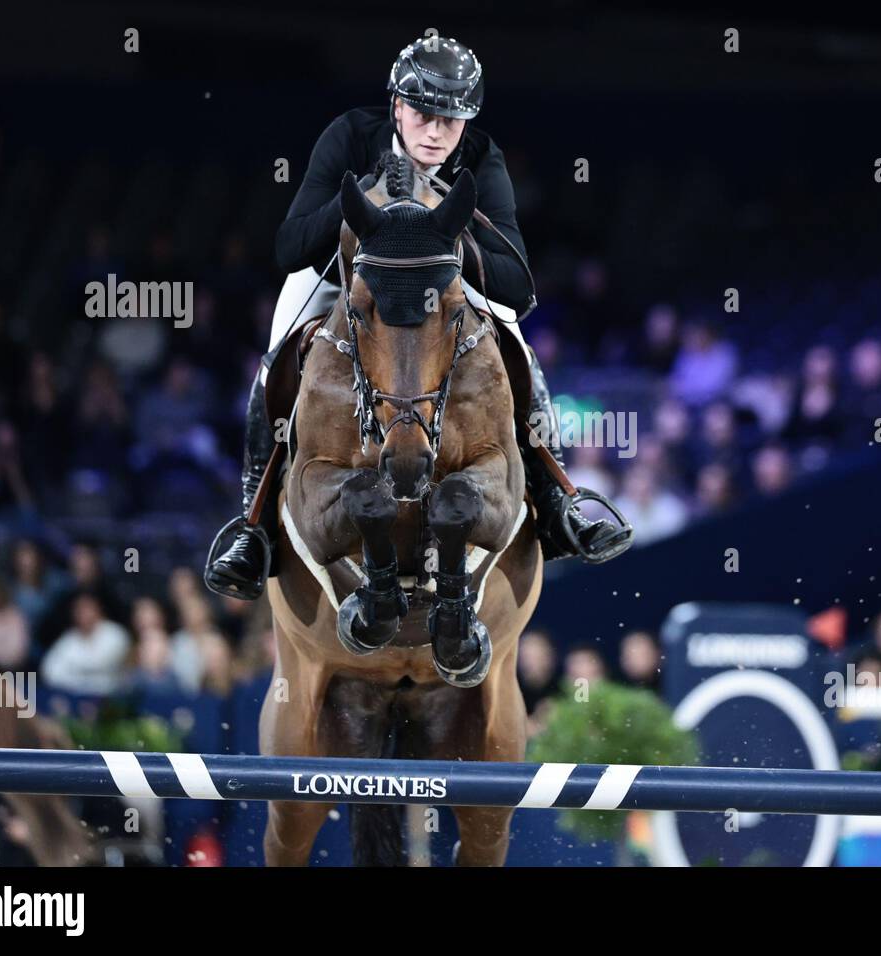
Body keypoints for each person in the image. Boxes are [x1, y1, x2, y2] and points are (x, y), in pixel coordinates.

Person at [205, 35, 630, 601]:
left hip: (438, 285)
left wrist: (454, 224)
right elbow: (288, 248)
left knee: (519, 349)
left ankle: (556, 505)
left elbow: (518, 286)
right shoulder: (350, 135)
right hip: (346, 281)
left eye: (451, 121)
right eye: (425, 115)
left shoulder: (479, 157)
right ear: (397, 106)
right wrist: (361, 194)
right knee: (276, 357)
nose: (436, 133)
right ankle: (253, 529)